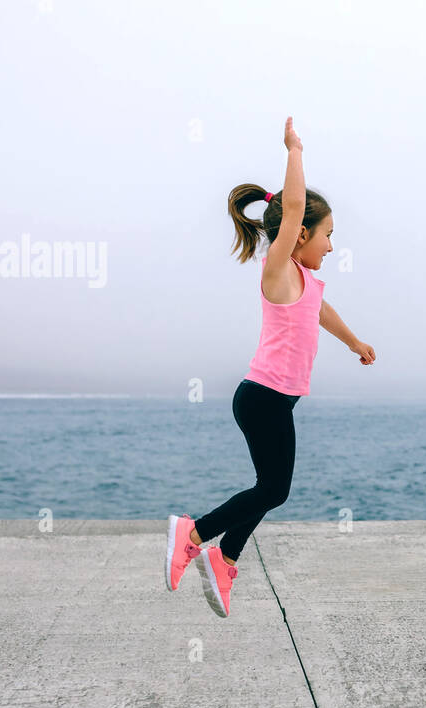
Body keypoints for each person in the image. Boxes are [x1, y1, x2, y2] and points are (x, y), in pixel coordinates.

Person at [164, 117, 376, 617]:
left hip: (276, 401)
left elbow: (321, 313)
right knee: (274, 488)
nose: (331, 245)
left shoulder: (303, 278)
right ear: (298, 234)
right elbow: (297, 206)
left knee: (272, 489)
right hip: (261, 398)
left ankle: (223, 559)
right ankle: (192, 536)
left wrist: (354, 342)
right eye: (327, 235)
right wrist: (295, 150)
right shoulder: (278, 268)